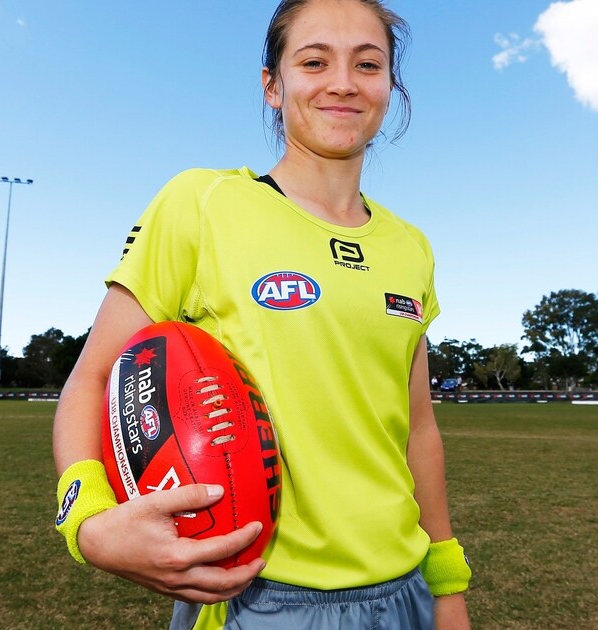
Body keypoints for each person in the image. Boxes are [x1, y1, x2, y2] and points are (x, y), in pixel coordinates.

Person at [52, 1, 471, 627]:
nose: (342, 82)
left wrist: (447, 586)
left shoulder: (411, 248)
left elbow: (418, 430)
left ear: (390, 88)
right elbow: (92, 379)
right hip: (256, 595)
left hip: (403, 592)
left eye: (368, 63)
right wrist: (84, 523)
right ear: (272, 84)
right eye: (314, 60)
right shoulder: (203, 202)